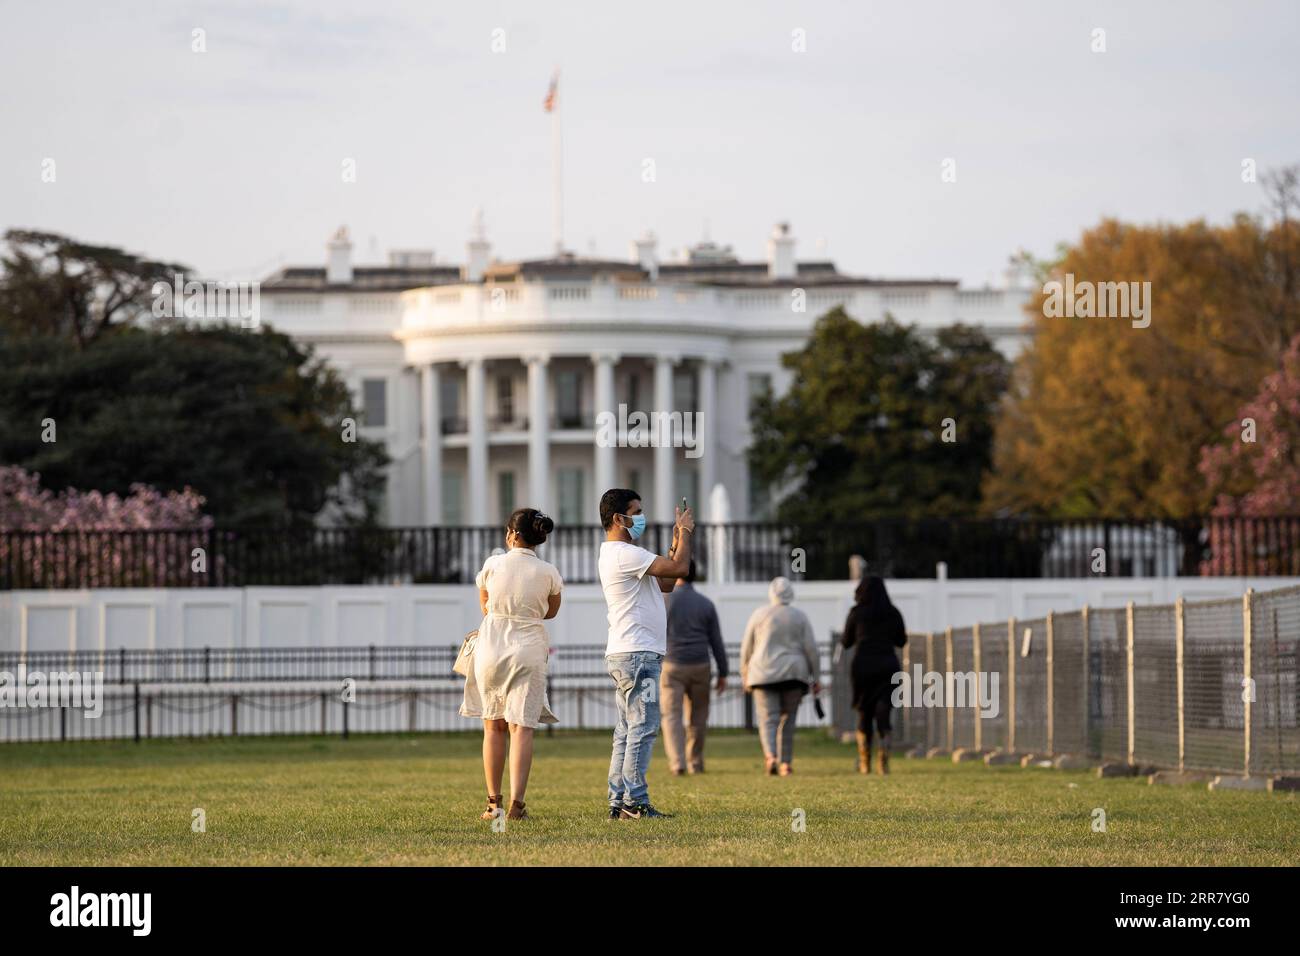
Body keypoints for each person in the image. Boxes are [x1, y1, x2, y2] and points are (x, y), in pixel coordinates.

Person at [459, 508, 562, 821]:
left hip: (491, 648)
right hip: (528, 648)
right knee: (522, 728)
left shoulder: (493, 564)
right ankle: (517, 805)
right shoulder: (548, 572)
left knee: (493, 726)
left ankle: (494, 804)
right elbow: (551, 612)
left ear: (512, 534)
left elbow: (485, 605)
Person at [597, 487, 694, 820]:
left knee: (626, 729)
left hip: (627, 653)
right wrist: (684, 533)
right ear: (618, 518)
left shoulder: (619, 555)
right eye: (635, 512)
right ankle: (634, 802)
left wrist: (673, 544)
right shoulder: (625, 554)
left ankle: (618, 801)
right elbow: (680, 570)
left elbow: (666, 583)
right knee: (644, 725)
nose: (640, 518)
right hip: (639, 655)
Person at [740, 577, 821, 776]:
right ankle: (785, 763)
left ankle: (771, 757)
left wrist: (745, 674)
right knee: (788, 718)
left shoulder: (759, 614)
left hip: (762, 674)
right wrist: (816, 677)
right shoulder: (800, 616)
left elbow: (746, 648)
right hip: (794, 674)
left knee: (768, 719)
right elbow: (812, 649)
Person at [662, 560, 728, 775]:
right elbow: (716, 640)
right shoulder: (706, 604)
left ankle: (677, 763)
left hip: (672, 664)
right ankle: (695, 761)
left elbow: (654, 633)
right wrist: (723, 672)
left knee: (672, 715)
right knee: (698, 716)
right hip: (701, 664)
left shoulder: (664, 600)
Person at [841, 575, 907, 774]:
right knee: (884, 709)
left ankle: (864, 762)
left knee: (864, 710)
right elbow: (901, 641)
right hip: (888, 665)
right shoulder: (893, 612)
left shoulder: (856, 613)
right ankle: (883, 760)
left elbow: (846, 641)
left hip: (863, 666)